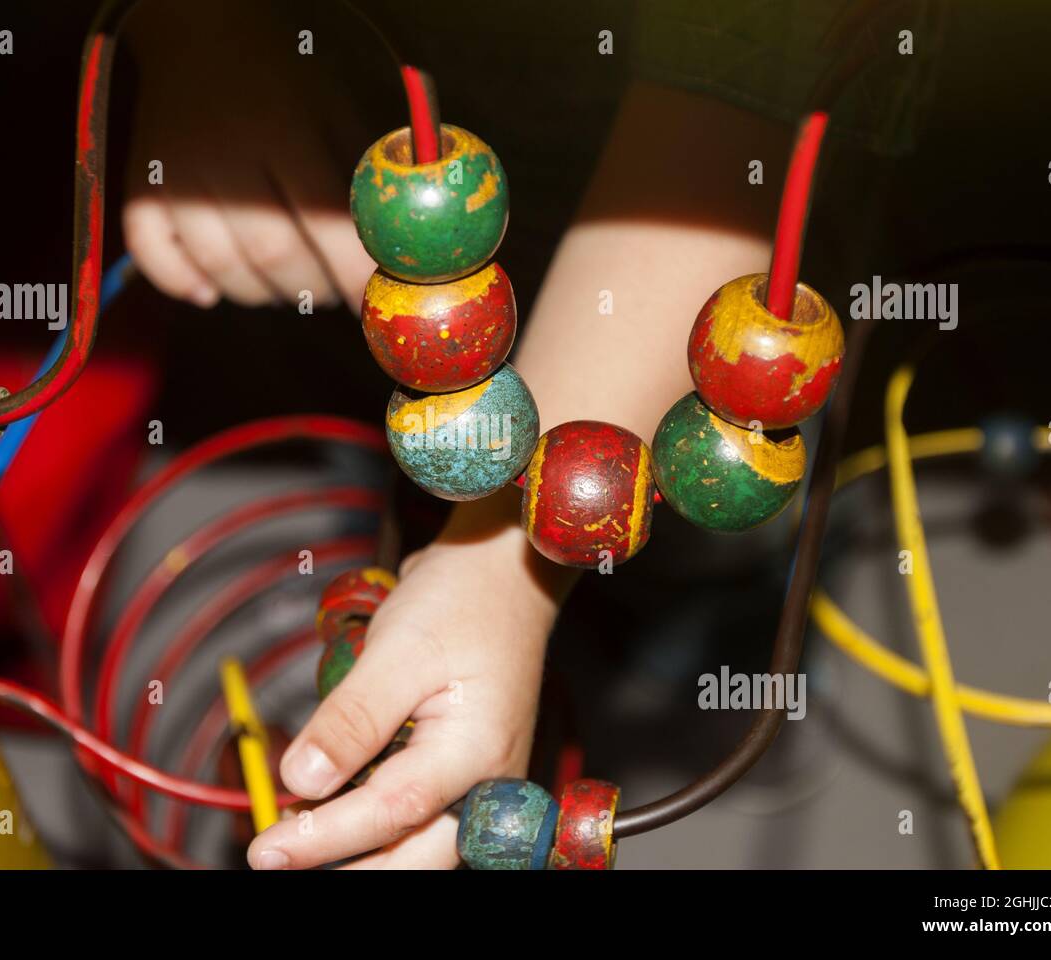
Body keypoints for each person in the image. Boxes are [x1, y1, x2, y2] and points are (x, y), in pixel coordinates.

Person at [120, 0, 945, 868]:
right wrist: (197, 34)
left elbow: (748, 85)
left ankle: (707, 672)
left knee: (714, 541)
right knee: (395, 423)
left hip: (710, 236)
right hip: (373, 185)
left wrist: (495, 575)